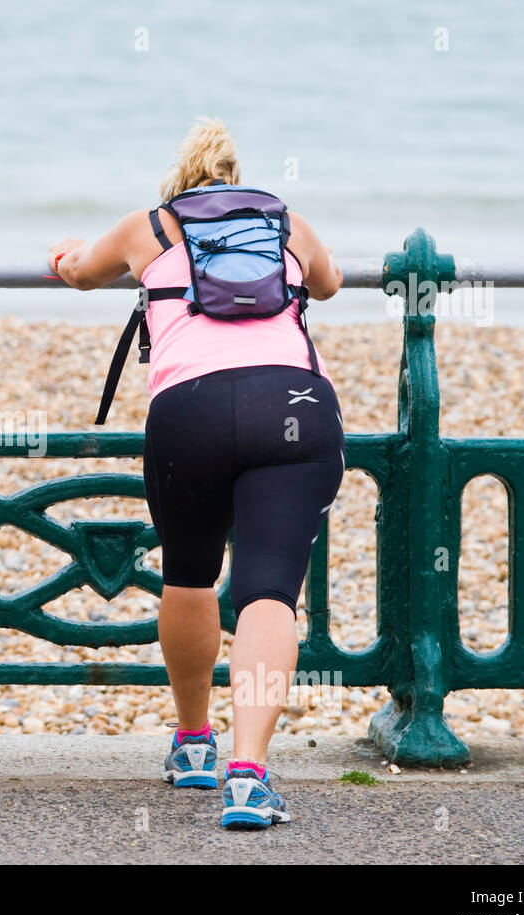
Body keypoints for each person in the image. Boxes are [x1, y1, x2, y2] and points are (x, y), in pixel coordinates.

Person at [48, 118, 344, 829]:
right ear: (238, 177)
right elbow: (329, 285)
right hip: (292, 401)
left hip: (190, 408)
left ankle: (192, 743)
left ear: (178, 184)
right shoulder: (288, 223)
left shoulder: (145, 227)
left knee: (187, 573)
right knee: (269, 591)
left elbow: (83, 272)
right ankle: (248, 777)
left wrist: (65, 260)